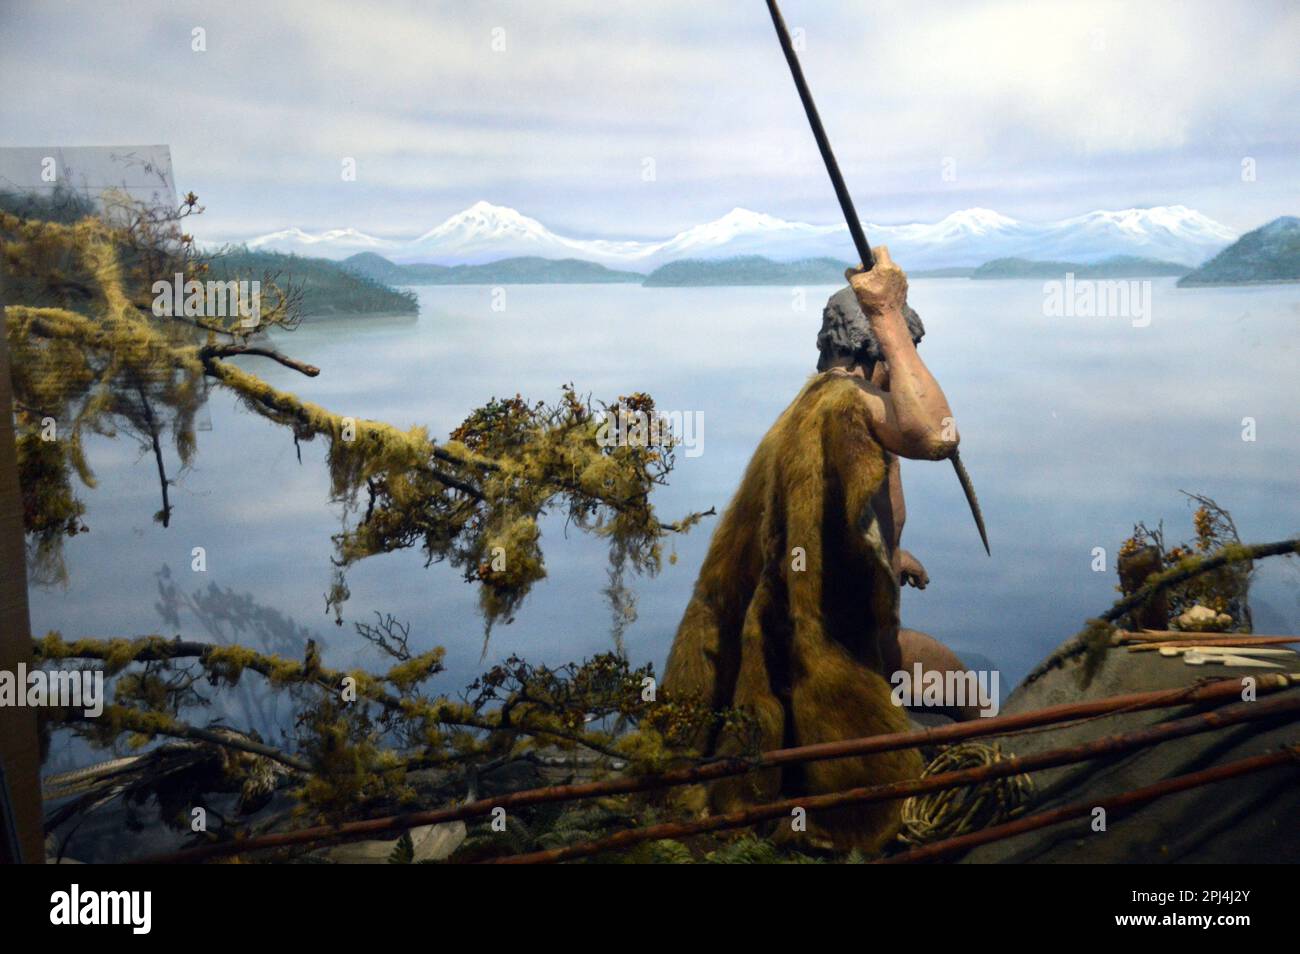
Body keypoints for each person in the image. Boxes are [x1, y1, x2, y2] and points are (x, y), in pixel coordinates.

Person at [663, 247, 977, 851]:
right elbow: (936, 433)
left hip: (857, 636)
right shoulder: (845, 405)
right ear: (877, 354)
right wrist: (889, 313)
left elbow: (824, 520)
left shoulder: (826, 408)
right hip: (834, 660)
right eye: (901, 356)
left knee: (953, 686)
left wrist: (889, 557)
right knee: (963, 699)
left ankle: (995, 751)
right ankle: (1009, 769)